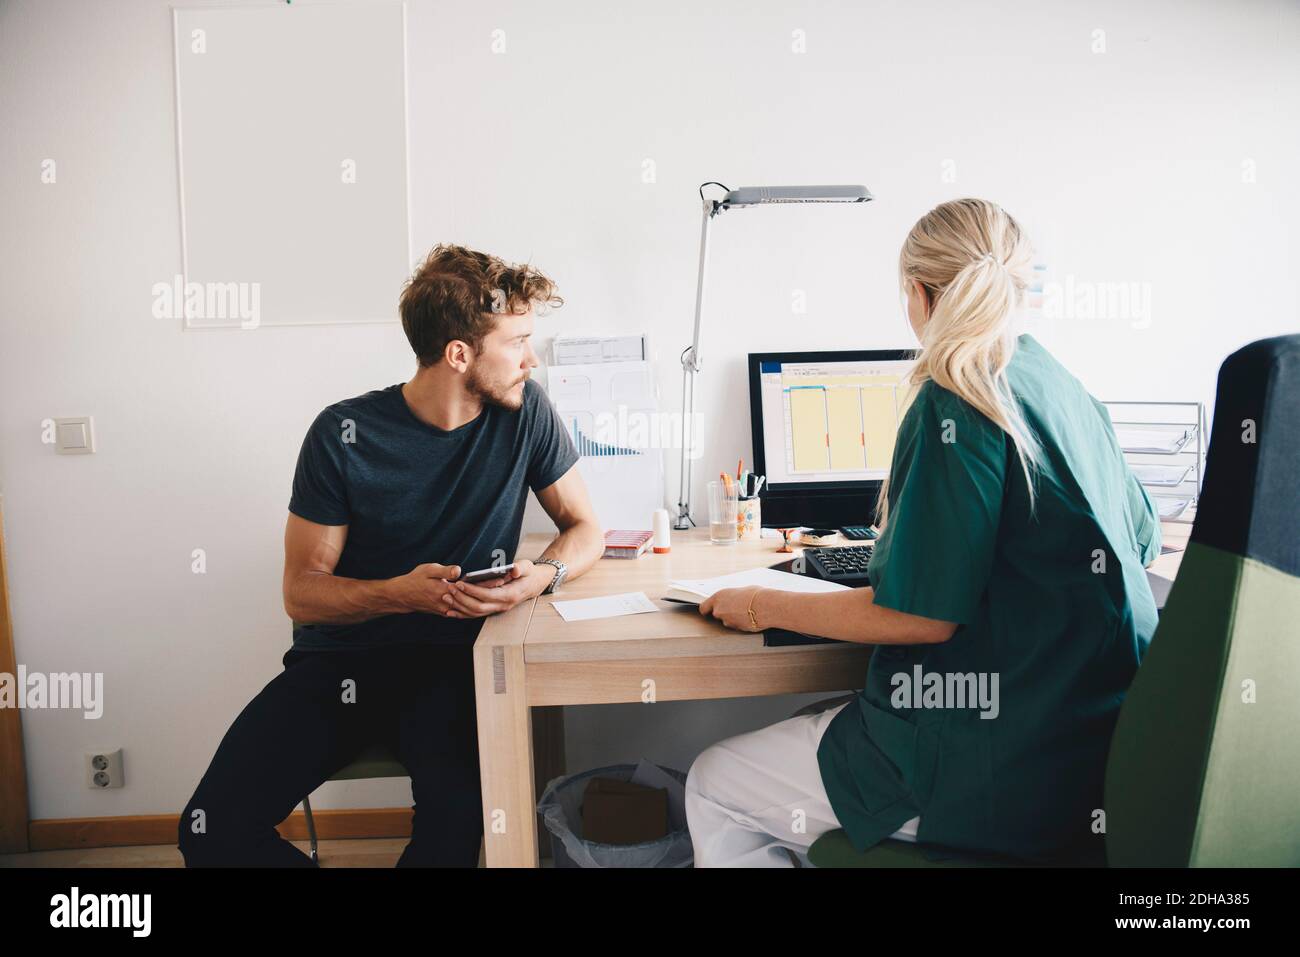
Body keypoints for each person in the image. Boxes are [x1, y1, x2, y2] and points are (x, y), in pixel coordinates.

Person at [685, 198, 1161, 867]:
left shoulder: (957, 396)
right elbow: (1140, 539)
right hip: (1089, 754)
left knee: (714, 781)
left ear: (919, 293)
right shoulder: (1062, 385)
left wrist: (760, 602)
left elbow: (920, 616)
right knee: (819, 720)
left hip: (1000, 769)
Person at [178, 244, 604, 867]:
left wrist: (539, 577)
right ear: (460, 354)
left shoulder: (525, 412)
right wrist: (397, 592)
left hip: (453, 664)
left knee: (456, 825)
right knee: (209, 830)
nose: (531, 360)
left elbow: (585, 527)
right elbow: (301, 591)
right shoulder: (342, 434)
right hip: (341, 663)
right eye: (517, 341)